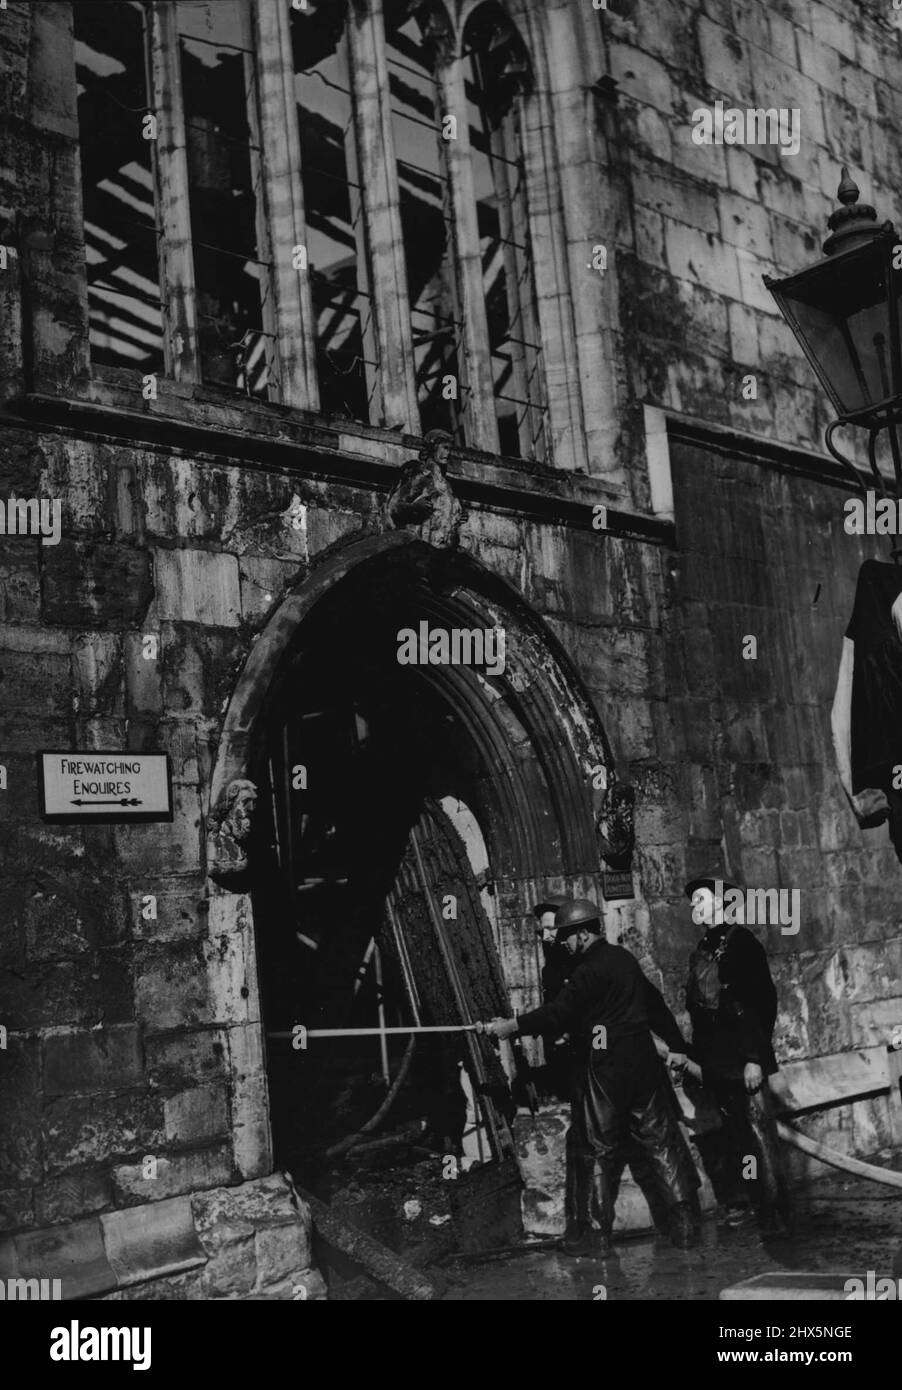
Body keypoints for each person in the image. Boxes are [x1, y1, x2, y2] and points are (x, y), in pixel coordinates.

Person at [479, 898, 701, 1256]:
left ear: (583, 934)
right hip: (643, 1064)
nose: (562, 941)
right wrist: (676, 1043)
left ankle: (596, 1239)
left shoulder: (587, 970)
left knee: (598, 1151)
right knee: (661, 1143)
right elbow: (655, 1005)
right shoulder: (624, 960)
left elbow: (558, 1012)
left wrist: (513, 1026)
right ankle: (686, 1228)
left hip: (604, 1068)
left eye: (566, 935)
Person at [680, 872, 791, 1236]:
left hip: (745, 1063)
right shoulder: (705, 948)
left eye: (699, 899)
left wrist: (755, 1059)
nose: (693, 905)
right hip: (720, 1064)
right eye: (693, 900)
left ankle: (775, 1213)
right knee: (741, 1140)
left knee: (760, 1138)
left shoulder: (743, 944)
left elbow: (764, 1004)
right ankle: (758, 1202)